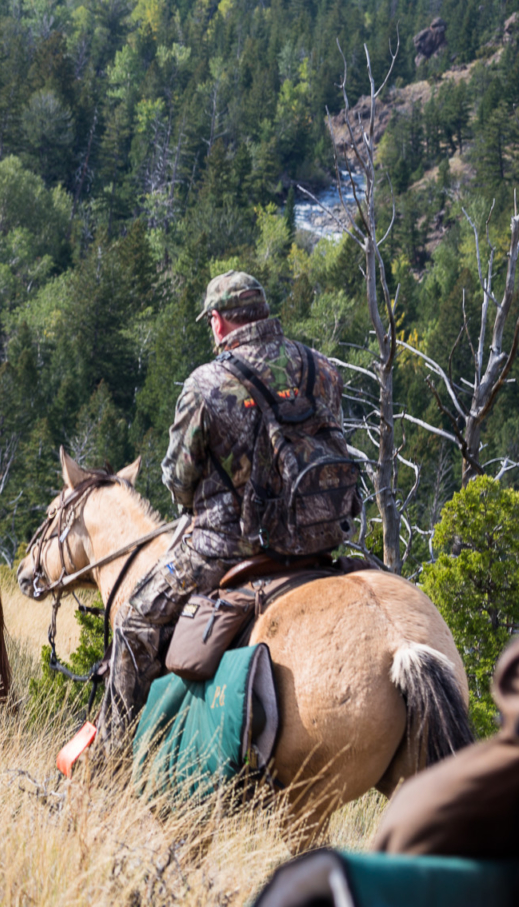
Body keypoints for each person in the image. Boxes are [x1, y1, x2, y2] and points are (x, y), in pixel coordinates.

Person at [95, 270, 347, 749]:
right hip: (321, 538)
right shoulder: (322, 368)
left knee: (133, 624)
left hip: (228, 547)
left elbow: (177, 481)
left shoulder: (206, 384)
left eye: (211, 321)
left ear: (219, 321)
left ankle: (111, 761)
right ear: (263, 313)